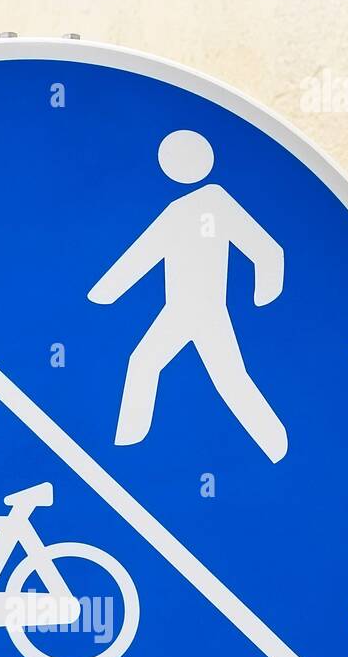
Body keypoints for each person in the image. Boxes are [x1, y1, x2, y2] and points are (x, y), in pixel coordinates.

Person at [88, 129, 288, 461]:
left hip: (207, 310)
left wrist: (265, 290)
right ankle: (127, 443)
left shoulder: (216, 201)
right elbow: (142, 255)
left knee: (228, 379)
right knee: (143, 363)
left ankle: (275, 442)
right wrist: (106, 292)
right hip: (178, 311)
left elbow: (266, 248)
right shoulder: (177, 211)